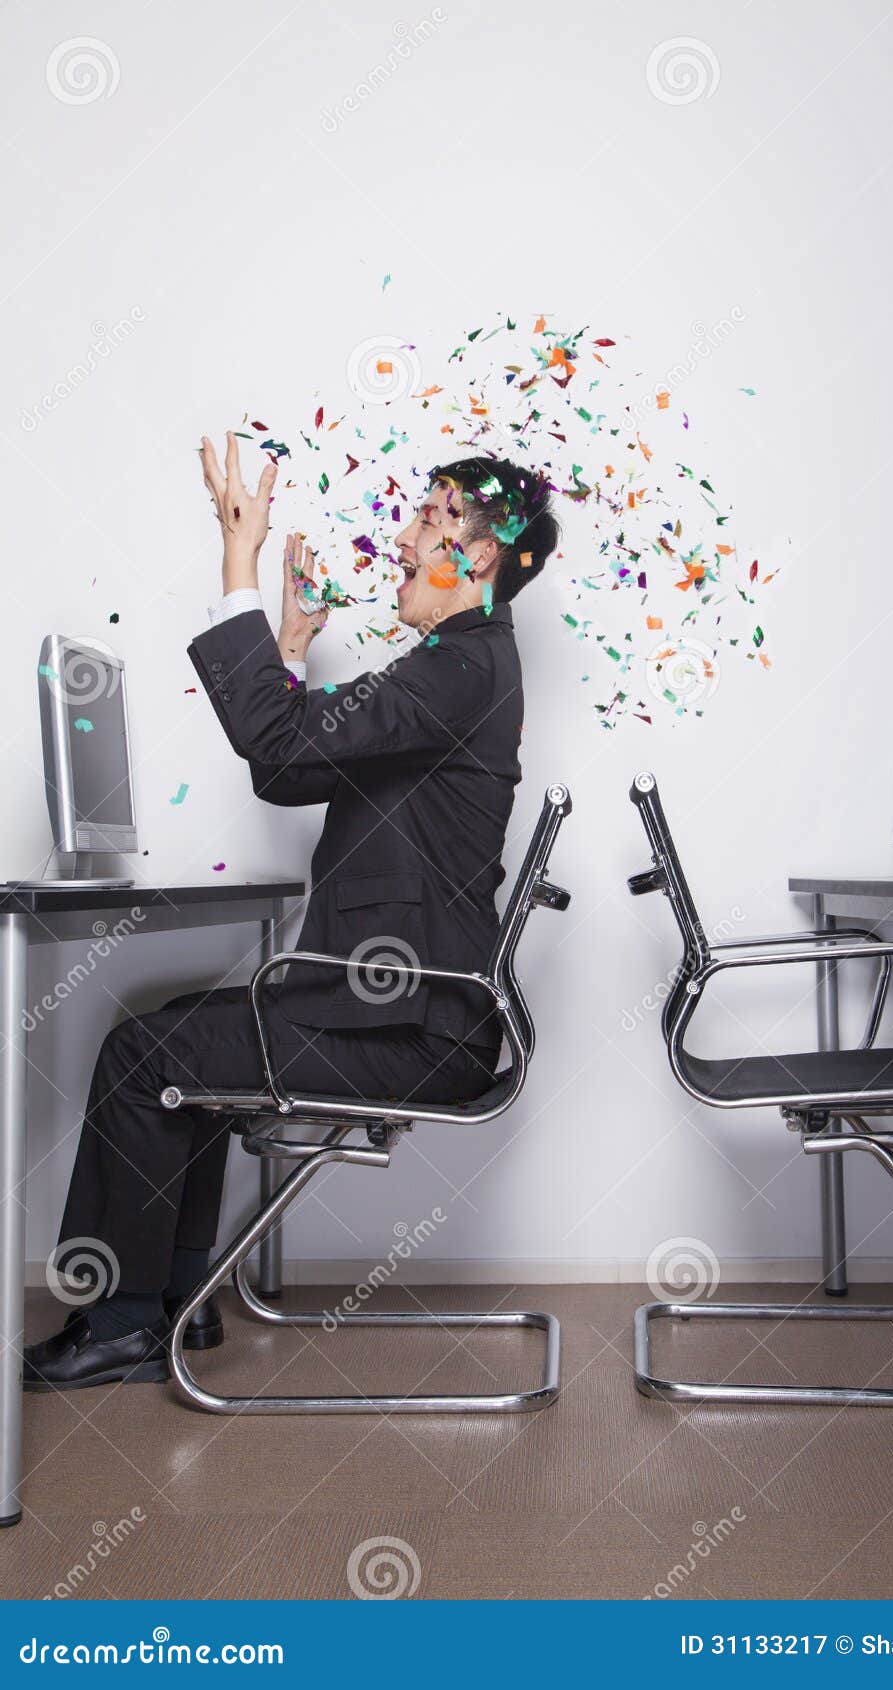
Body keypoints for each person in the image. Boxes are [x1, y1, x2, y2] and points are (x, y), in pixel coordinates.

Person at [24, 435, 558, 1390]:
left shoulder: (459, 664)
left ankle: (127, 1317)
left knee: (149, 1054)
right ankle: (169, 1304)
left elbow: (277, 735)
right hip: (396, 1010)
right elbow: (284, 769)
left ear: (477, 555)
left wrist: (241, 560)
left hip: (413, 1030)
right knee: (168, 1046)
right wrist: (296, 643)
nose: (402, 537)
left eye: (429, 518)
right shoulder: (452, 664)